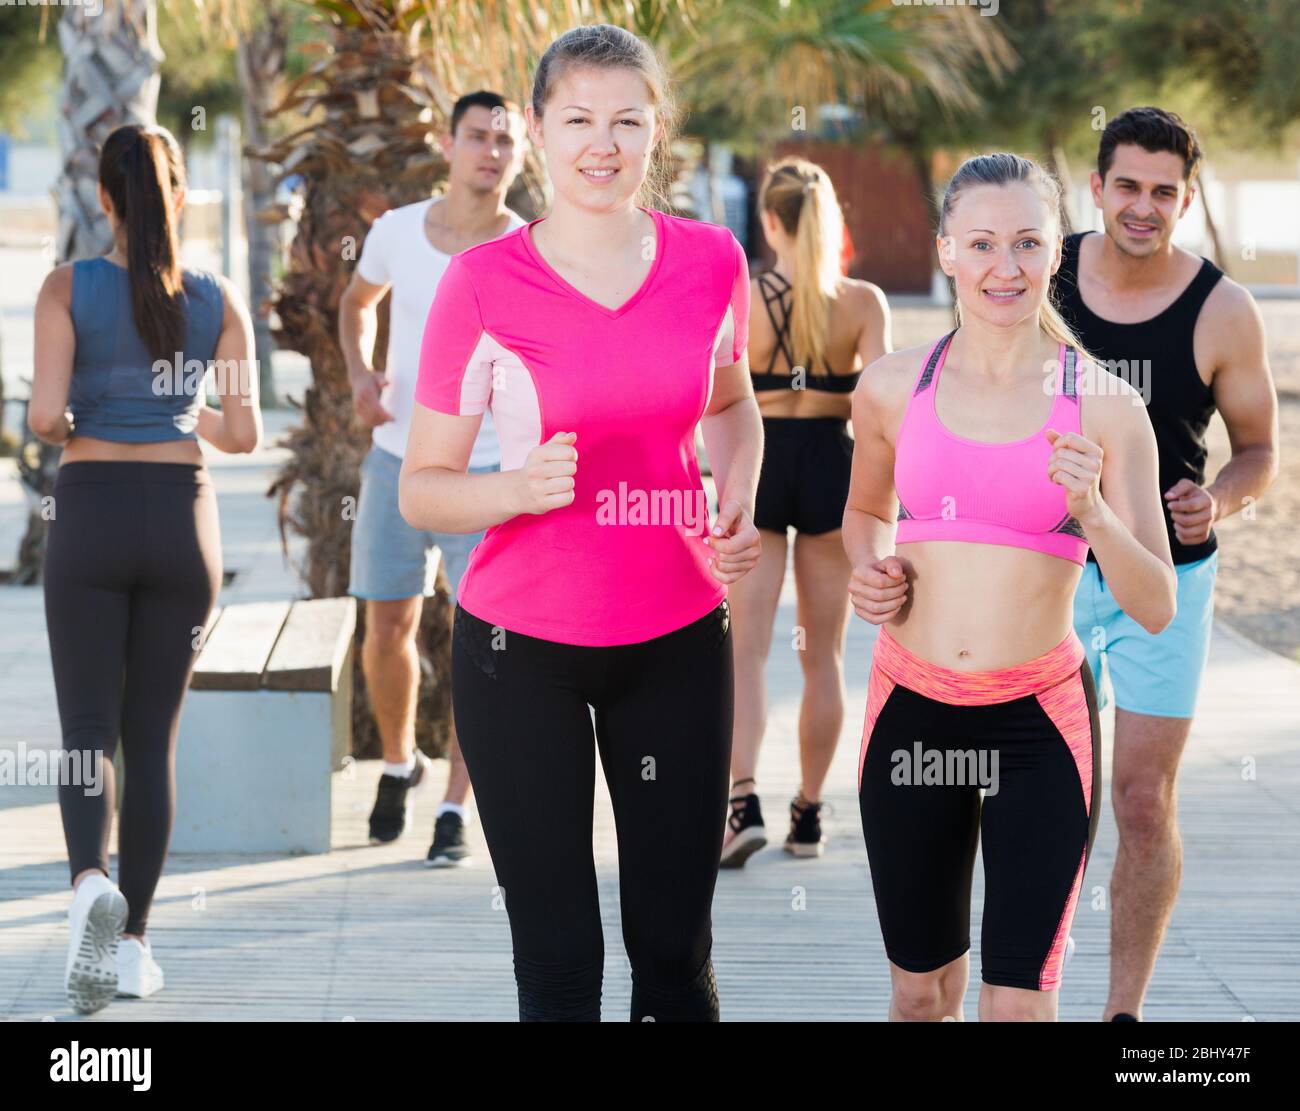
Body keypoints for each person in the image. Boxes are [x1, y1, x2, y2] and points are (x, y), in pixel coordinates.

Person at [400, 23, 762, 1021]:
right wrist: (513, 490)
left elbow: (730, 405)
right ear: (535, 128)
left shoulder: (712, 262)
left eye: (625, 121)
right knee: (559, 965)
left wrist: (737, 492)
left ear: (657, 130)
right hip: (520, 652)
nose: (601, 145)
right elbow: (421, 488)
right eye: (577, 121)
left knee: (673, 957)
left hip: (680, 637)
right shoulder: (480, 283)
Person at [847, 152, 1177, 1021]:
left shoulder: (1105, 404)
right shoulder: (889, 388)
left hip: (1039, 725)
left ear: (1056, 254)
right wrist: (870, 569)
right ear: (946, 249)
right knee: (920, 995)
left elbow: (1155, 604)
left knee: (1017, 1005)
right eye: (983, 242)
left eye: (1028, 242)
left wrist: (1096, 515)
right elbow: (864, 514)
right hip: (909, 712)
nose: (1006, 266)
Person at [1053, 107, 1279, 1021]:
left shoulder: (1225, 308)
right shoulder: (1042, 275)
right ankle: (1029, 994)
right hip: (1050, 567)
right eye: (1127, 186)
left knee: (1142, 800)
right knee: (1039, 791)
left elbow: (1261, 450)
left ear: (1184, 199)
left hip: (1168, 578)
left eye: (1163, 191)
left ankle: (1122, 1016)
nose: (1142, 207)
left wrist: (1218, 497)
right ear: (1097, 186)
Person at [30, 123, 260, 1013]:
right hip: (180, 524)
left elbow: (49, 416)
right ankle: (132, 949)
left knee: (87, 726)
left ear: (104, 198)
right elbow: (241, 434)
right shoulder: (217, 298)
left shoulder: (64, 287)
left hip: (88, 515)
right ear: (180, 197)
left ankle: (91, 882)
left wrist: (98, 398)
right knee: (151, 737)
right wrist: (178, 403)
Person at [338, 91, 528, 862]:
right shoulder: (395, 232)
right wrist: (359, 372)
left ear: (520, 154)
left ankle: (455, 809)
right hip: (394, 462)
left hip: (486, 480)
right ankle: (396, 761)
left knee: (482, 647)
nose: (491, 151)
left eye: (505, 141)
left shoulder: (526, 248)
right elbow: (356, 303)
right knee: (387, 628)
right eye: (478, 136)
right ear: (449, 145)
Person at [721, 157, 890, 868]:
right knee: (822, 654)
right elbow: (883, 404)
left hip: (760, 459)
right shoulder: (861, 301)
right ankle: (810, 811)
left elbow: (715, 392)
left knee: (748, 652)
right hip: (830, 461)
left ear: (769, 221)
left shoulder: (741, 296)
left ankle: (741, 803)